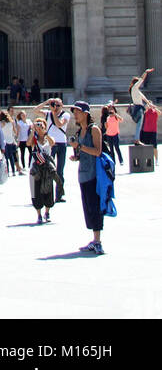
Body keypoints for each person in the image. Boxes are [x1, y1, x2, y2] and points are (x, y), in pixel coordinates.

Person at [70, 101, 105, 255]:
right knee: (88, 208)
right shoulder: (80, 132)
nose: (75, 115)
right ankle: (94, 239)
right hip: (82, 174)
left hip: (94, 175)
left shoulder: (94, 129)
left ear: (85, 113)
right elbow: (82, 153)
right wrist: (76, 155)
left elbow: (98, 151)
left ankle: (98, 241)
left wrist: (80, 147)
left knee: (95, 207)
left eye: (77, 112)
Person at [27, 116, 59, 222]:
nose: (40, 126)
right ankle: (39, 214)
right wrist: (33, 130)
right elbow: (28, 143)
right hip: (35, 167)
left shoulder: (48, 137)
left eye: (41, 124)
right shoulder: (34, 138)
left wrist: (45, 133)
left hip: (46, 168)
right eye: (38, 124)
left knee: (48, 189)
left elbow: (52, 143)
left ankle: (47, 212)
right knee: (36, 191)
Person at [44, 97, 71, 200]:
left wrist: (54, 113)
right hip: (51, 144)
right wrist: (47, 102)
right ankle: (48, 194)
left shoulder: (66, 115)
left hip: (62, 144)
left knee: (60, 170)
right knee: (49, 169)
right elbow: (35, 110)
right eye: (55, 105)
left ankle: (59, 195)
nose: (56, 107)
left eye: (58, 105)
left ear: (62, 105)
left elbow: (59, 124)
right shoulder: (48, 114)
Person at [129, 69, 154, 146]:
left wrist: (150, 104)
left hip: (138, 109)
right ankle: (137, 140)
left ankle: (138, 139)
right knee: (139, 125)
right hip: (138, 109)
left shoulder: (137, 91)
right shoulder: (134, 88)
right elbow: (142, 79)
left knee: (139, 125)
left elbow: (144, 99)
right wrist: (146, 72)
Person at [0, 109, 18, 176]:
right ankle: (13, 171)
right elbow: (15, 132)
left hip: (4, 141)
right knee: (11, 156)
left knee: (6, 157)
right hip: (10, 140)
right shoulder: (11, 122)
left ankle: (7, 172)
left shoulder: (1, 123)